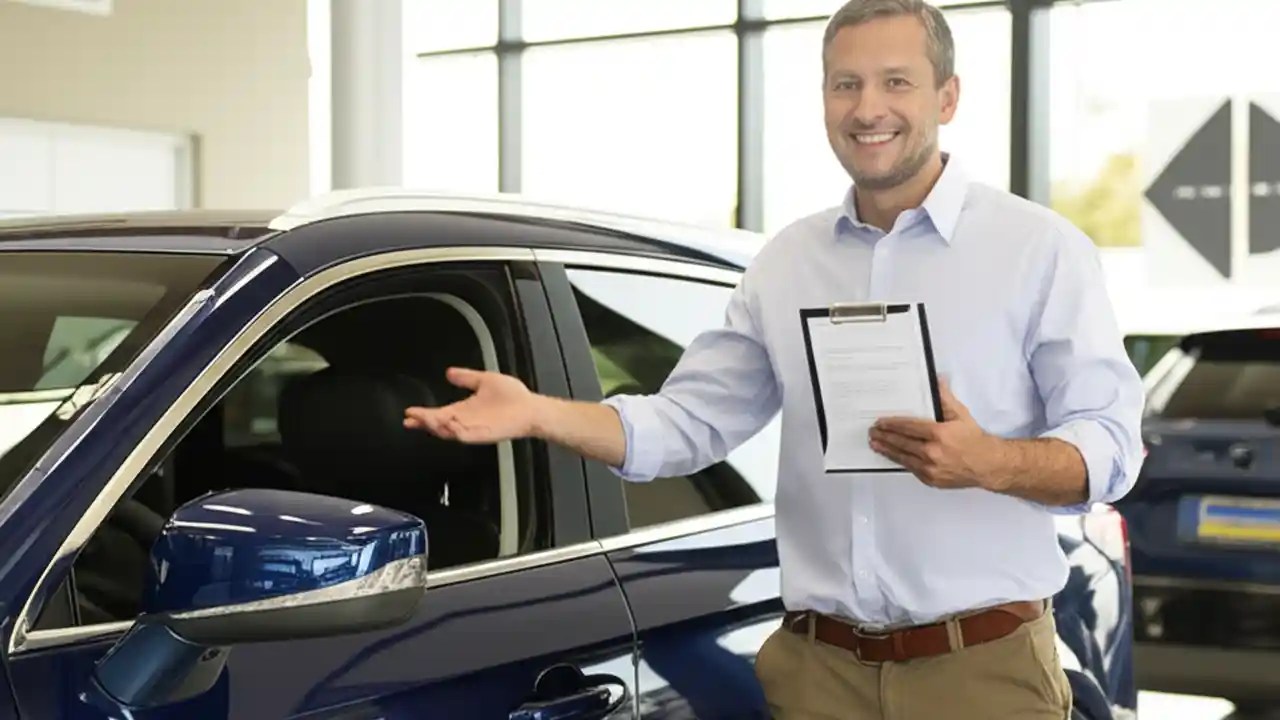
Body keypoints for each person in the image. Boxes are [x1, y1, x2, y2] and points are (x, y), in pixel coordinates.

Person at [403, 0, 1145, 716]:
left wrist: (988, 462)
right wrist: (538, 413)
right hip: (820, 676)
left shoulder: (1037, 250)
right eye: (846, 84)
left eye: (896, 81)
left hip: (980, 673)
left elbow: (1112, 449)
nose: (868, 108)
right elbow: (686, 425)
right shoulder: (787, 263)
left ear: (946, 97)